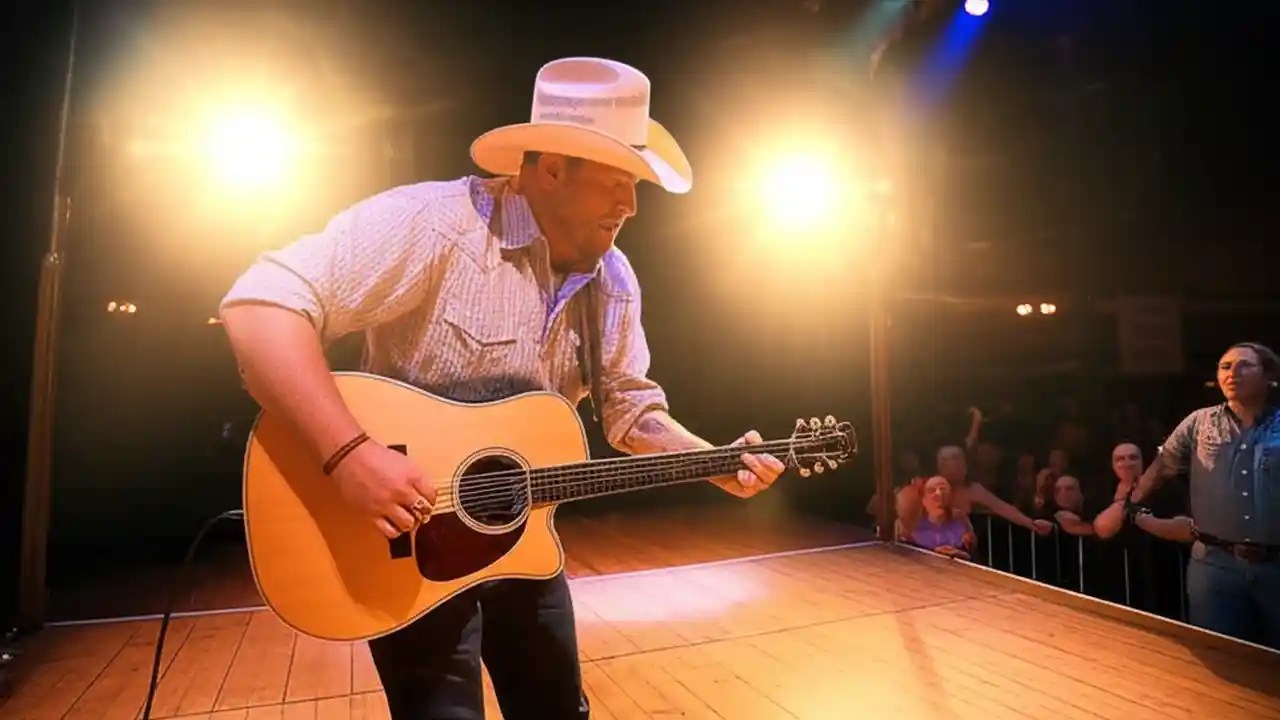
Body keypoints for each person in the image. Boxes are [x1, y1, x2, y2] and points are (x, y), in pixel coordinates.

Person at [218, 57, 786, 719]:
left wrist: (712, 462)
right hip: (403, 544)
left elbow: (629, 408)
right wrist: (350, 457)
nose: (630, 206)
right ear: (551, 167)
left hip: (523, 546)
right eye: (616, 180)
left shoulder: (615, 280)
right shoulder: (438, 226)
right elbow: (258, 306)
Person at [1130, 341, 1280, 649]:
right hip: (1215, 566)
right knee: (1218, 657)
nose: (1232, 373)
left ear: (1269, 377)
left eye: (1244, 365)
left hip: (1276, 566)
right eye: (1225, 366)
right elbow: (1162, 466)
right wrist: (1129, 505)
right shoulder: (1198, 422)